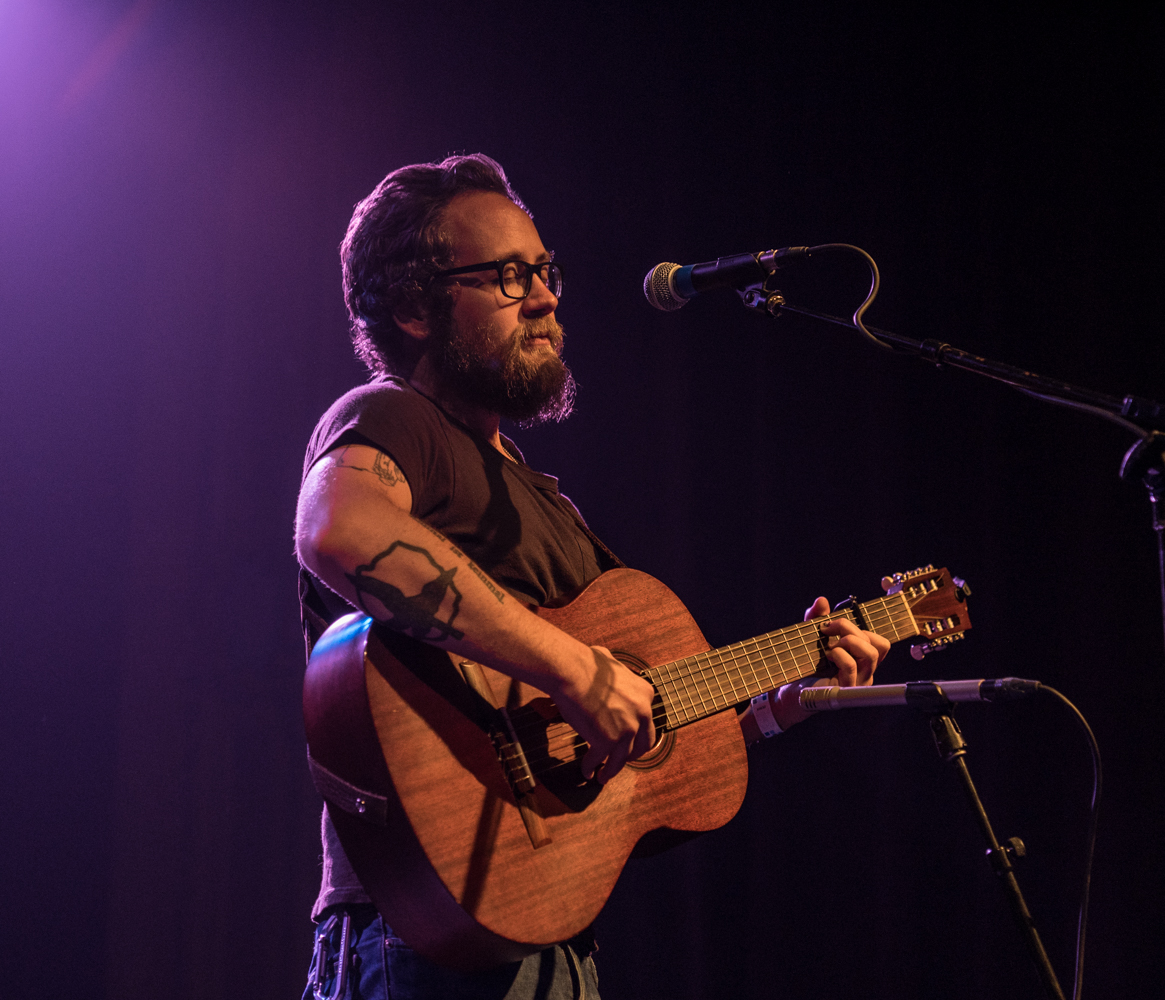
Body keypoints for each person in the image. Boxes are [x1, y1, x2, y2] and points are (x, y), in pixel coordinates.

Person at [293, 153, 888, 999]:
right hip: (420, 935)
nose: (544, 298)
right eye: (507, 276)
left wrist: (776, 706)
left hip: (543, 931)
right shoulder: (391, 418)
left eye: (543, 271)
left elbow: (618, 744)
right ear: (413, 307)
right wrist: (574, 667)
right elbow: (339, 529)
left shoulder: (547, 506)